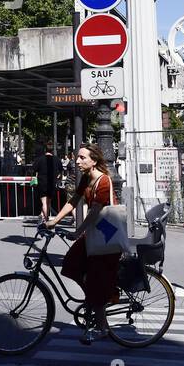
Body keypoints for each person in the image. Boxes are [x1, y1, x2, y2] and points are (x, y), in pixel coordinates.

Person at [45, 143, 119, 344]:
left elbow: (95, 212)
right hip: (96, 233)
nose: (77, 161)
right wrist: (54, 220)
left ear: (94, 161)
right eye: (78, 157)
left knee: (93, 280)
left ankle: (102, 324)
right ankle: (96, 297)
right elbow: (73, 201)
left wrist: (78, 231)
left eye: (82, 158)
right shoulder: (86, 179)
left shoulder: (103, 181)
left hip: (107, 236)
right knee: (71, 265)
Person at [35, 142, 58, 222]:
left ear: (45, 149)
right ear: (52, 150)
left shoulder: (40, 159)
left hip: (42, 182)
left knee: (44, 202)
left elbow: (34, 169)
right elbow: (61, 171)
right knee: (48, 202)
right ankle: (44, 215)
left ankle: (45, 218)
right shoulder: (56, 159)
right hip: (52, 183)